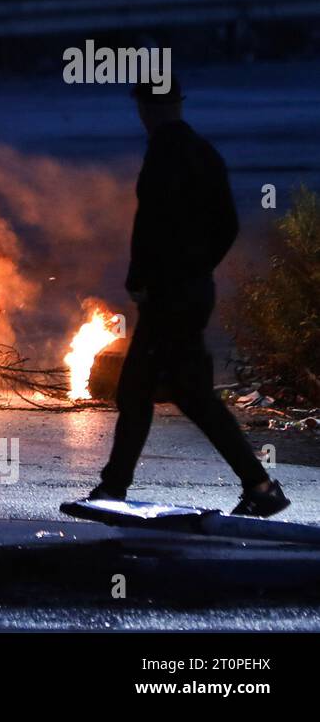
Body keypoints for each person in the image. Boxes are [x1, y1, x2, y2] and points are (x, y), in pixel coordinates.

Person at [88, 77, 289, 517]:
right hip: (194, 291)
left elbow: (150, 226)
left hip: (166, 297)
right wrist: (198, 270)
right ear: (179, 103)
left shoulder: (163, 153)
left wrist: (142, 279)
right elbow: (228, 225)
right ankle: (257, 486)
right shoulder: (205, 152)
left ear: (148, 109)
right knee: (172, 393)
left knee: (148, 392)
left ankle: (115, 489)